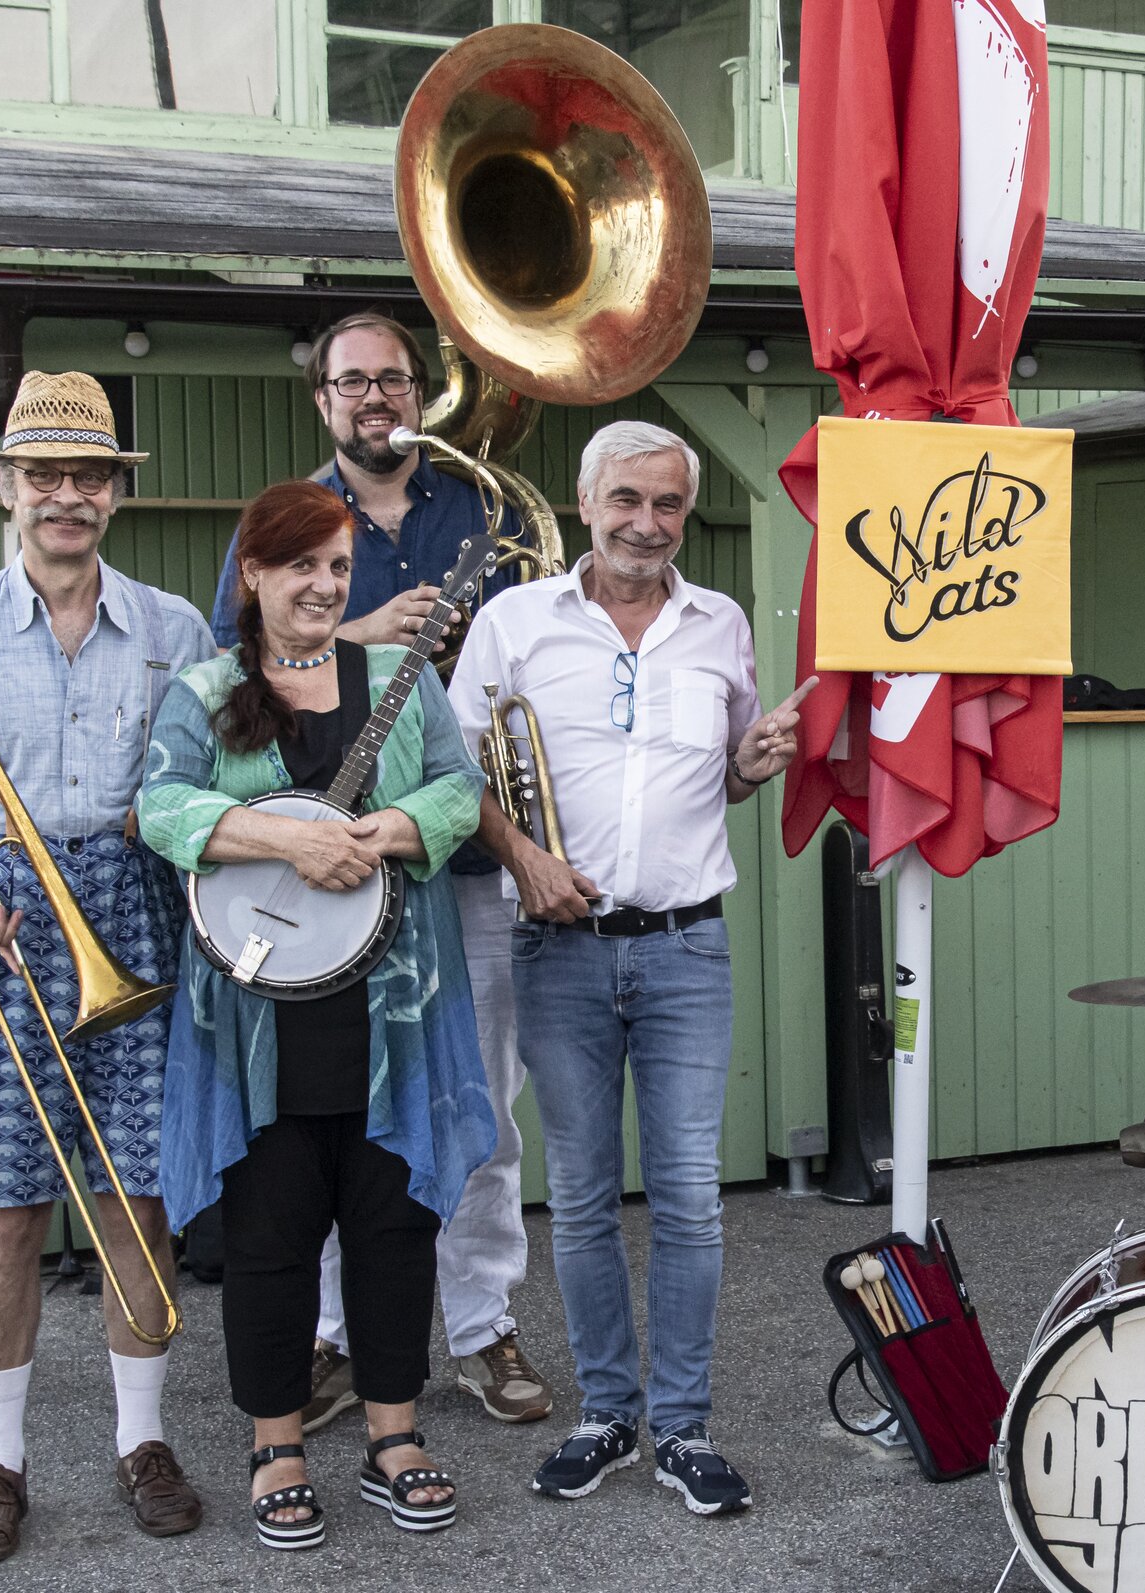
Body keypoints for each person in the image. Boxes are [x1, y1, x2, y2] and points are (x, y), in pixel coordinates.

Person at [0, 370, 214, 1563]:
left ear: (114, 495)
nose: (65, 496)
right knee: (11, 1213)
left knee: (137, 1198)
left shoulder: (175, 628)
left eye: (88, 477)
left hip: (134, 913)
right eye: (43, 477)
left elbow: (206, 786)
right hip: (9, 918)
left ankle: (140, 1440)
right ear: (7, 489)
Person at [447, 420, 814, 1516]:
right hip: (557, 948)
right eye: (626, 501)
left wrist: (752, 765)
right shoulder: (513, 623)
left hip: (687, 948)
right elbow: (451, 770)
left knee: (693, 1201)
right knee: (587, 1198)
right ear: (584, 499)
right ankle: (608, 1414)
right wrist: (523, 860)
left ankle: (685, 1428)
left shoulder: (720, 624)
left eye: (666, 504)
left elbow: (735, 771)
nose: (646, 524)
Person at [210, 311, 551, 1432]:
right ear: (323, 400)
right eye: (352, 382)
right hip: (331, 865)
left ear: (421, 393)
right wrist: (364, 632)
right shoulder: (292, 519)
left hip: (459, 861)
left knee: (478, 1107)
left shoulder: (479, 506)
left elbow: (521, 672)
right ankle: (332, 1338)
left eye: (393, 381)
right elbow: (237, 672)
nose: (375, 400)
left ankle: (481, 1325)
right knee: (324, 1120)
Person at [140, 479, 496, 1547]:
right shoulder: (204, 689)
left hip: (392, 1017)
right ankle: (277, 1447)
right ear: (253, 574)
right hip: (257, 1020)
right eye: (302, 565)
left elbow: (459, 789)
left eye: (338, 567)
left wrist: (380, 831)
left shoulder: (393, 673)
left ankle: (396, 1437)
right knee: (270, 1242)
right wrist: (287, 838)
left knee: (394, 1229)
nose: (323, 585)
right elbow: (159, 806)